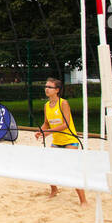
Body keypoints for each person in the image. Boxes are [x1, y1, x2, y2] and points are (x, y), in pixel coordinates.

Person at [37, 77, 86, 206]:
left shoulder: (63, 103)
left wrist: (48, 132)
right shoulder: (47, 105)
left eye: (50, 87)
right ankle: (54, 190)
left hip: (70, 140)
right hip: (57, 141)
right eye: (46, 86)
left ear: (57, 90)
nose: (46, 89)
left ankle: (83, 200)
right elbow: (47, 123)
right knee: (50, 166)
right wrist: (41, 131)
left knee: (72, 169)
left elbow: (66, 124)